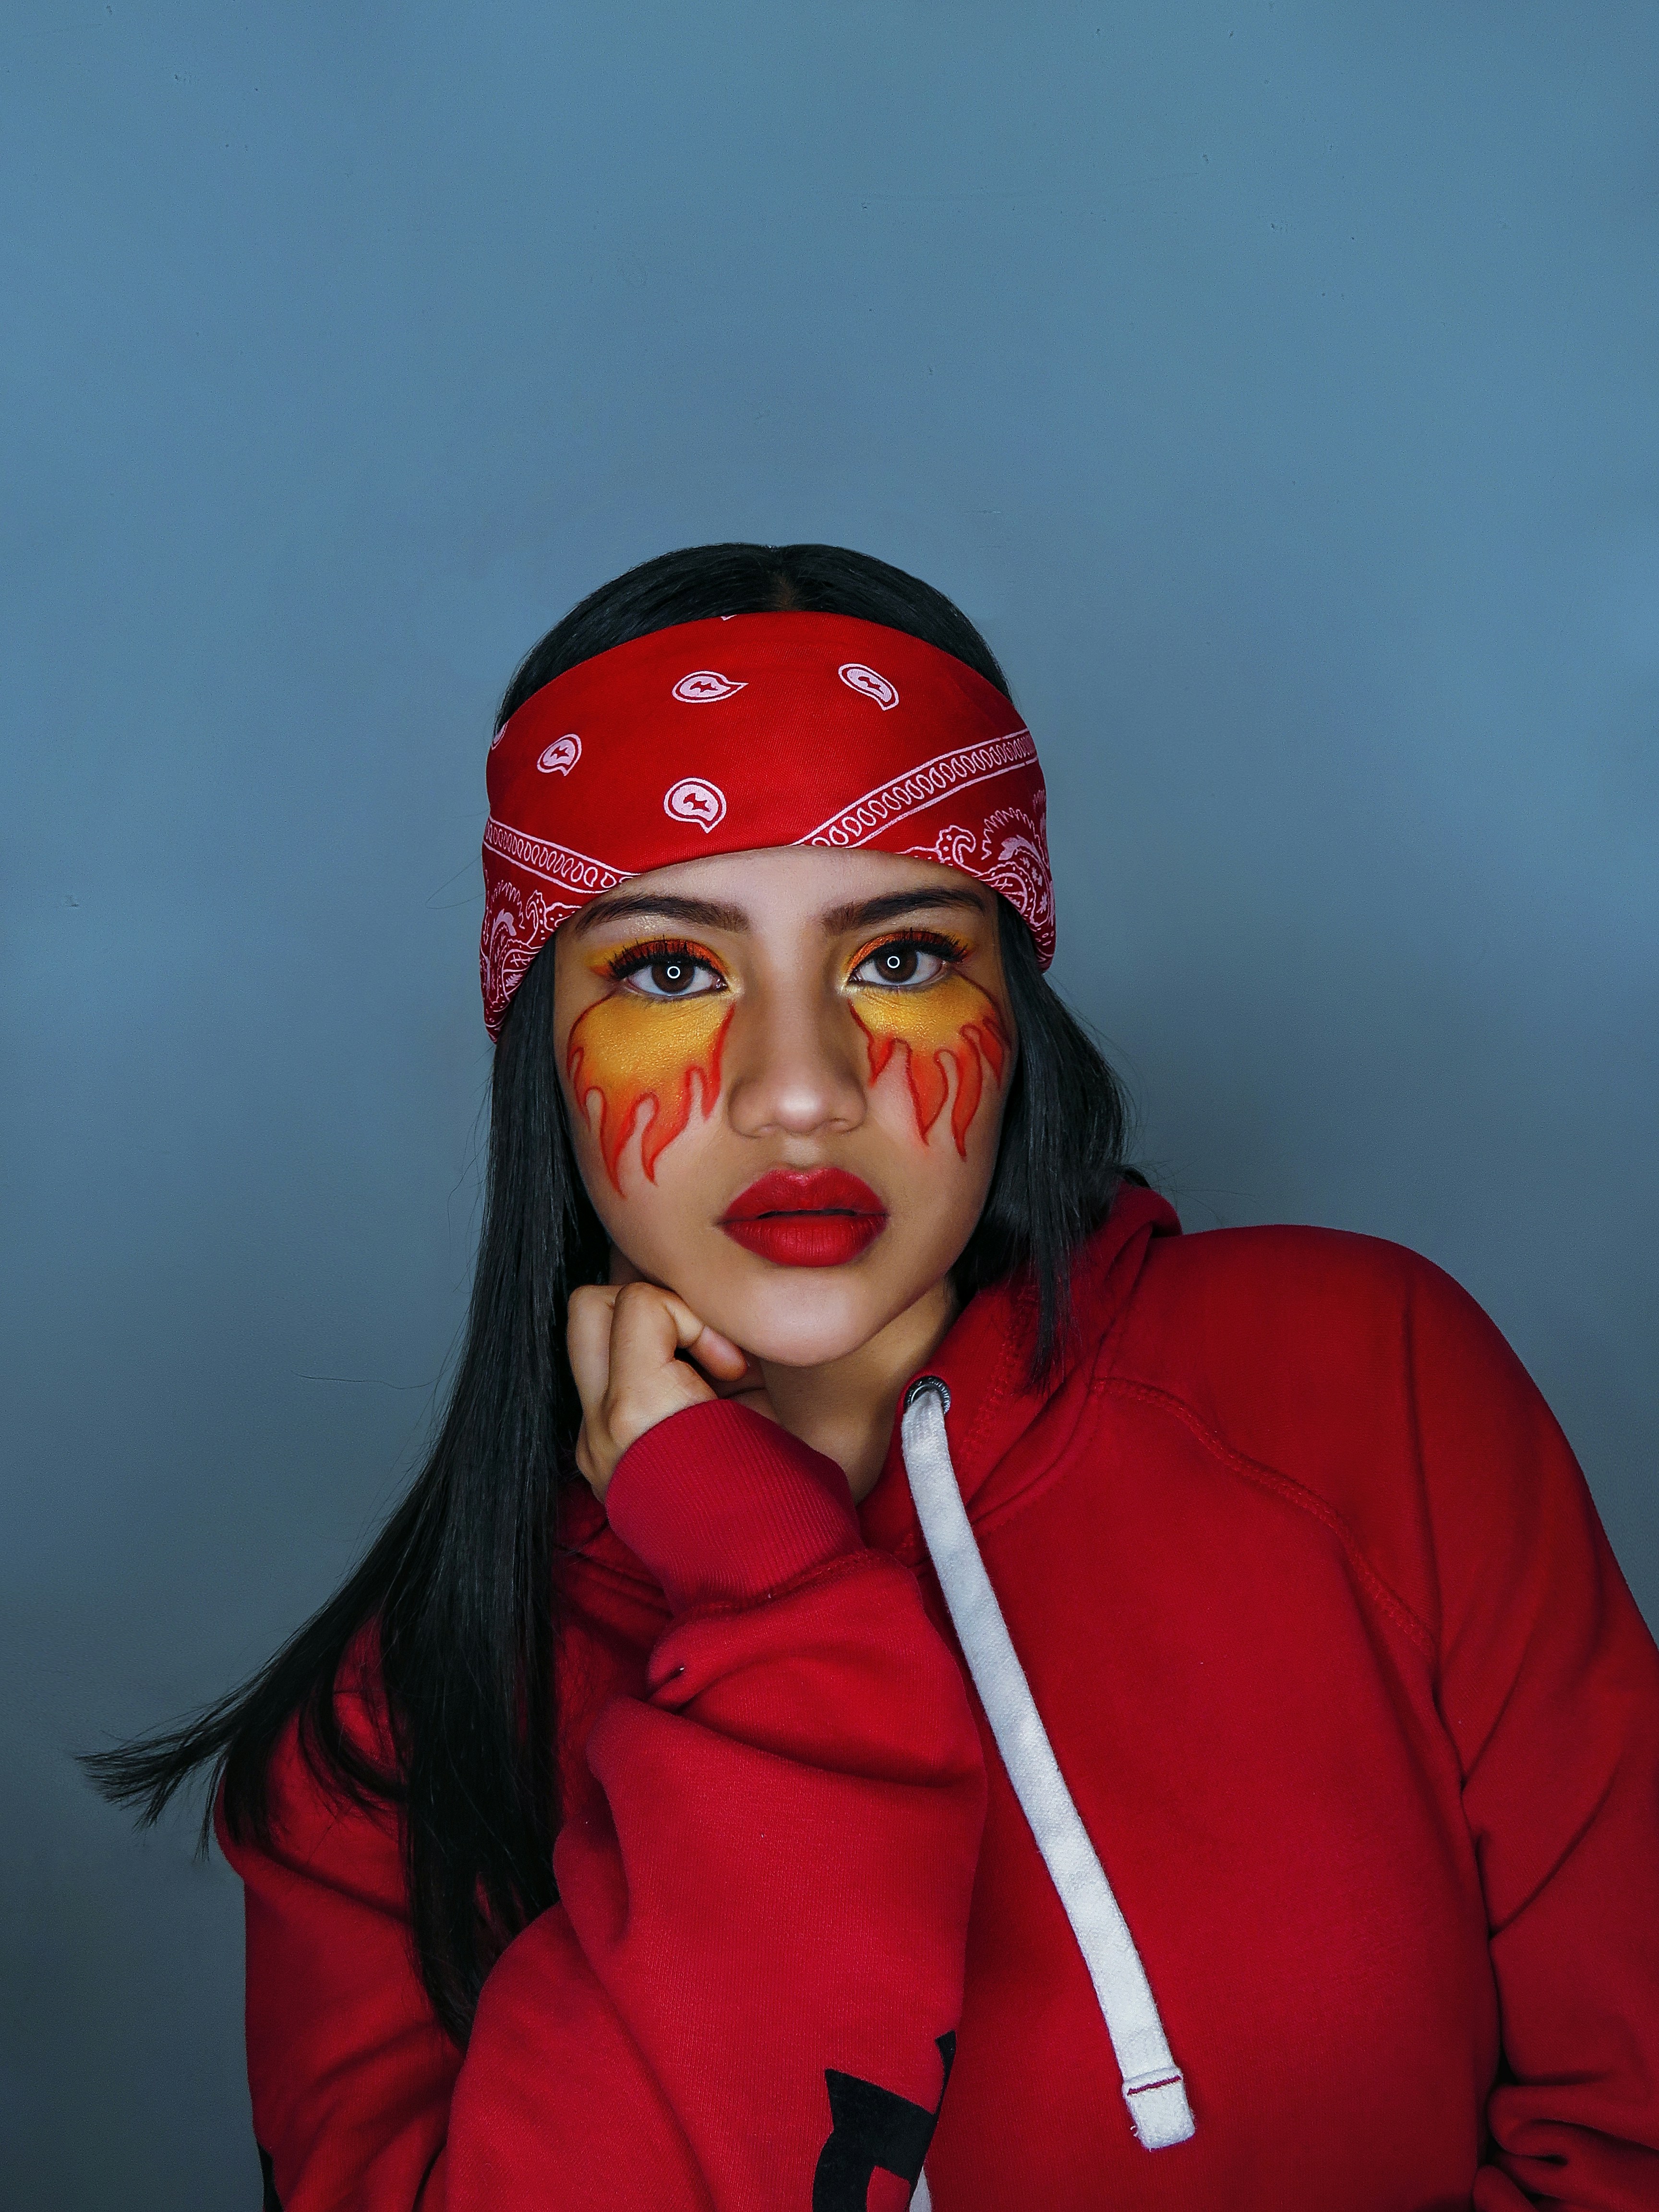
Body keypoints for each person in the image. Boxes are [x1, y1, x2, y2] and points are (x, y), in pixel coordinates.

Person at [93, 543, 1659, 2211]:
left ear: (1015, 994)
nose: (798, 1092)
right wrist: (773, 1618)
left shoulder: (1366, 1383)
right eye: (671, 970)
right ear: (536, 1041)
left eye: (898, 955)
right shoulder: (386, 1737)